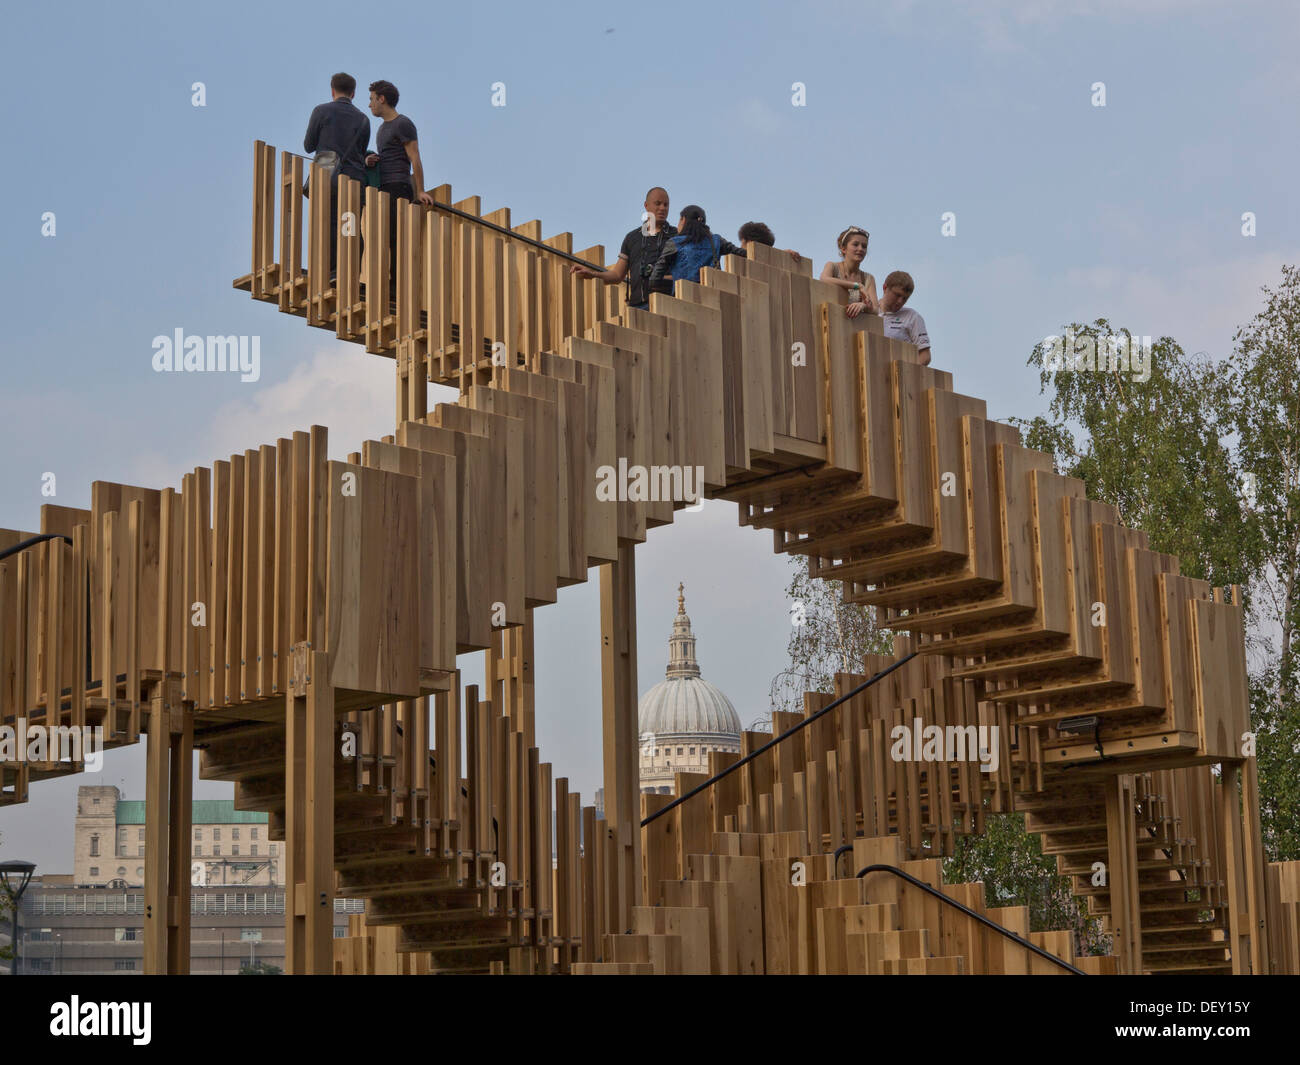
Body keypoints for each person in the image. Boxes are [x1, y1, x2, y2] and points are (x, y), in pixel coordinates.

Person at [364, 80, 434, 284]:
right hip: (382, 187)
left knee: (395, 238)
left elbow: (415, 157)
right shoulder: (381, 129)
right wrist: (369, 160)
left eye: (371, 99)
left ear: (382, 99)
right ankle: (385, 283)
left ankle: (396, 288)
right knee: (383, 236)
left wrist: (420, 190)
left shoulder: (403, 123)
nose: (370, 104)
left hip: (398, 185)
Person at [303, 73, 371, 272]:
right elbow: (360, 150)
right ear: (353, 93)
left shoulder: (321, 111)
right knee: (349, 225)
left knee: (328, 224)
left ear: (332, 90)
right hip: (353, 181)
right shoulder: (364, 119)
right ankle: (350, 271)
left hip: (326, 179)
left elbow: (308, 146)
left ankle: (330, 270)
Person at [571, 187, 675, 311]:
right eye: (658, 203)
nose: (663, 208)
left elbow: (684, 275)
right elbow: (617, 275)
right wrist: (592, 274)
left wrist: (660, 278)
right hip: (636, 308)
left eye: (666, 204)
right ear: (646, 206)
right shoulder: (632, 238)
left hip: (667, 304)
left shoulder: (677, 236)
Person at [649, 205, 746, 290]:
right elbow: (742, 253)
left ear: (683, 220)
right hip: (713, 296)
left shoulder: (675, 243)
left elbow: (654, 280)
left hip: (684, 298)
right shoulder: (716, 241)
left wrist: (674, 280)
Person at [820, 225, 877, 317]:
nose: (860, 249)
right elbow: (824, 279)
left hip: (854, 329)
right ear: (843, 248)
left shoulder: (868, 278)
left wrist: (863, 306)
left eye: (864, 246)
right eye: (855, 244)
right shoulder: (832, 266)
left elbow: (876, 310)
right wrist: (857, 286)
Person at [879, 270, 931, 365]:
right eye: (897, 295)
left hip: (899, 375)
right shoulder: (869, 311)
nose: (900, 301)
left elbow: (925, 356)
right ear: (885, 288)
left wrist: (906, 374)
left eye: (905, 298)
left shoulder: (912, 317)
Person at [738, 221, 804, 265]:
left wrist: (781, 255)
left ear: (748, 242)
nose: (740, 246)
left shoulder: (735, 263)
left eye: (742, 243)